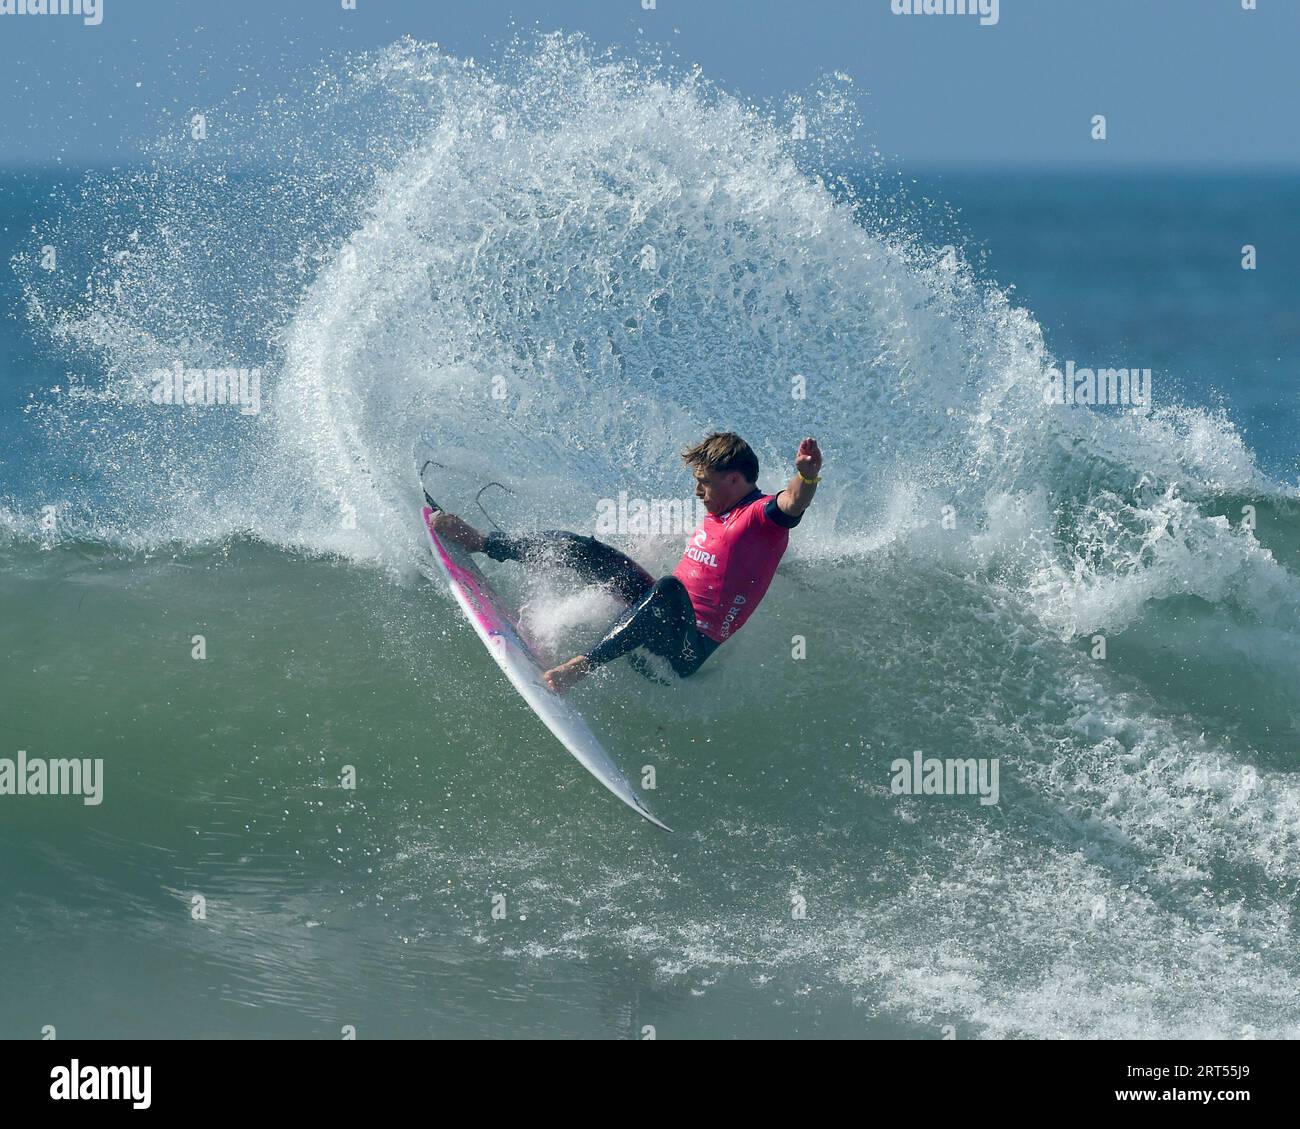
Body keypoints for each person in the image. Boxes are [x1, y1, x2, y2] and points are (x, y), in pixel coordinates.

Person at [431, 432, 822, 692]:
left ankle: (580, 667)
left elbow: (791, 504)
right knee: (585, 549)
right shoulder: (720, 510)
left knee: (668, 589)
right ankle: (485, 543)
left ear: (735, 480)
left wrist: (805, 478)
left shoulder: (759, 515)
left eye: (705, 481)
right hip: (655, 616)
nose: (697, 489)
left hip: (682, 653)